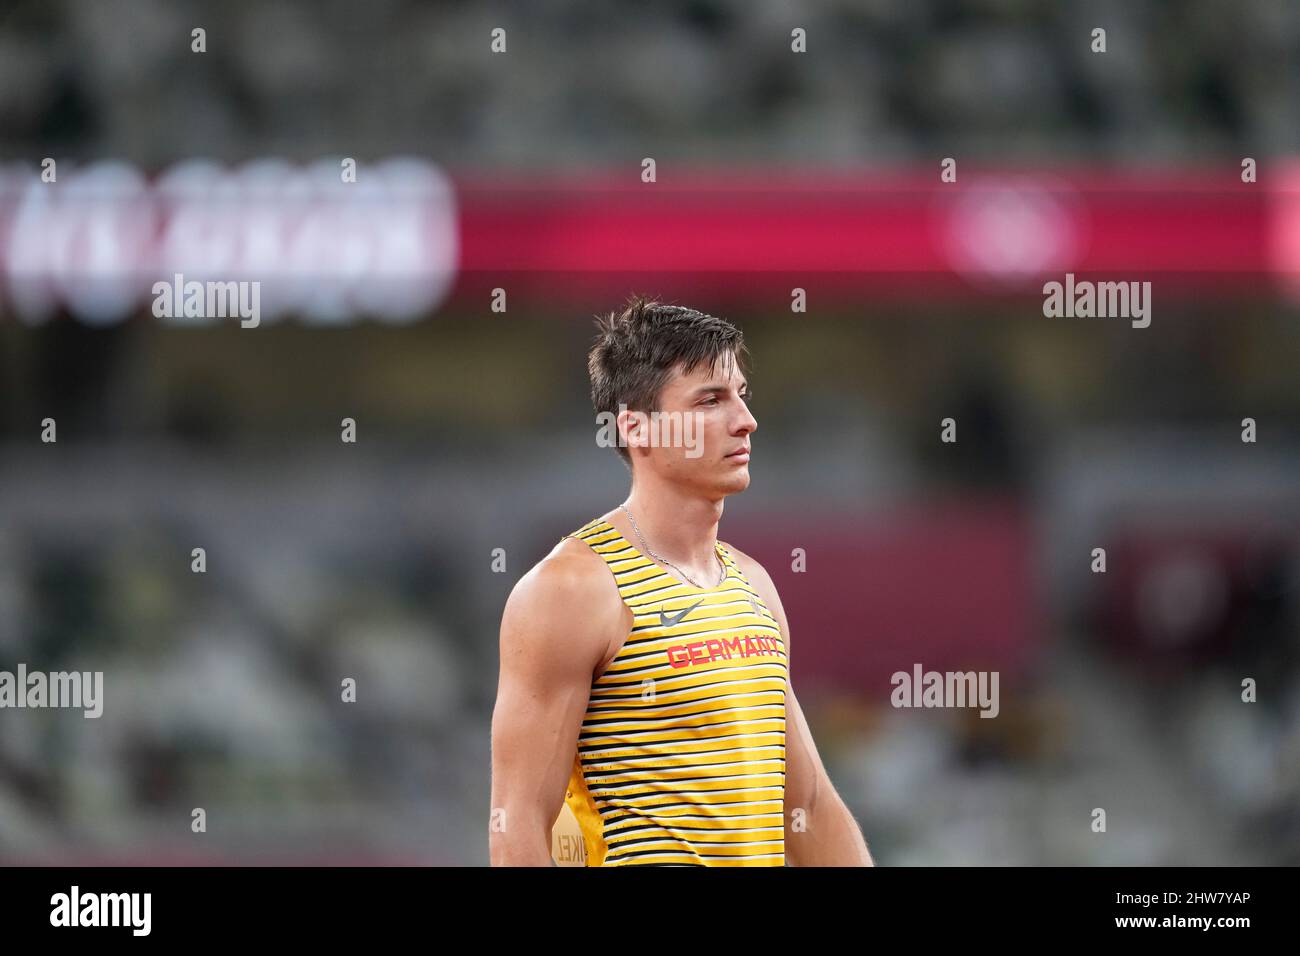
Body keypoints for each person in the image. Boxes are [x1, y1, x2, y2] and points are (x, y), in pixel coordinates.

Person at [490, 295, 874, 866]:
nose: (745, 419)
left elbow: (810, 807)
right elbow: (516, 823)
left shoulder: (754, 585)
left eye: (741, 395)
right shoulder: (571, 589)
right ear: (637, 427)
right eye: (710, 400)